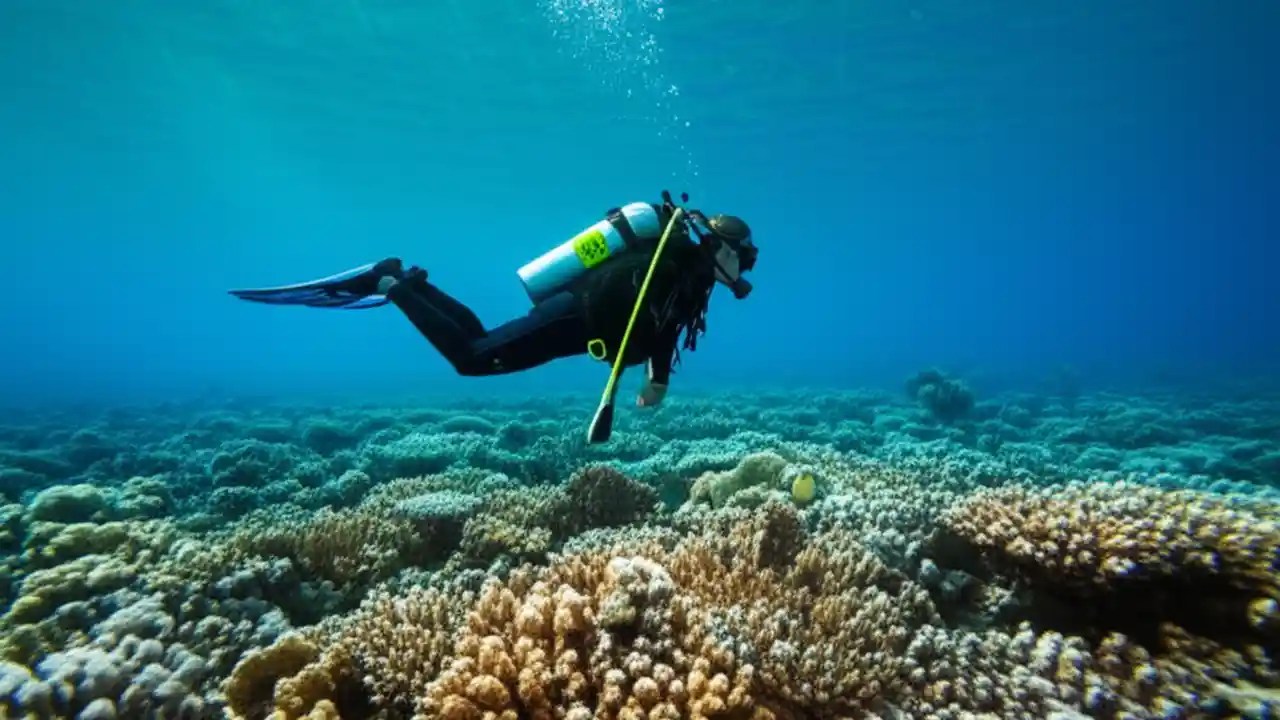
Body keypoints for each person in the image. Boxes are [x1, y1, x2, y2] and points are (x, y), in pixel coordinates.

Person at [229, 194, 757, 409]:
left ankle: (405, 279)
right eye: (744, 258)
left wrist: (654, 379)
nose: (744, 270)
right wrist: (626, 347)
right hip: (571, 321)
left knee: (481, 338)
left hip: (574, 330)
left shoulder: (690, 279)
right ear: (722, 249)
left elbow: (662, 330)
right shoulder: (670, 265)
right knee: (471, 359)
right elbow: (617, 295)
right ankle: (387, 286)